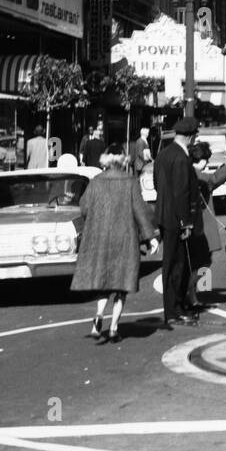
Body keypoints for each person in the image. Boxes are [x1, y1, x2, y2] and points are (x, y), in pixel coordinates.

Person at [71, 145, 159, 344]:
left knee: (104, 284)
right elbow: (140, 211)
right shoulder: (130, 182)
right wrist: (150, 237)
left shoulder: (95, 182)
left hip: (101, 239)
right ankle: (113, 328)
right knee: (121, 286)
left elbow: (84, 208)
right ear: (124, 160)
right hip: (125, 240)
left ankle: (98, 316)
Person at [153, 116, 202, 328]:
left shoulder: (163, 154)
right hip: (177, 219)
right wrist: (186, 222)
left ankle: (174, 308)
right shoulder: (182, 159)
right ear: (190, 137)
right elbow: (182, 192)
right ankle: (174, 310)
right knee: (177, 265)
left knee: (171, 263)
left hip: (164, 215)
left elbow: (157, 183)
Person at [187, 138, 226, 307]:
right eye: (206, 160)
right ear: (199, 160)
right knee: (202, 261)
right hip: (200, 225)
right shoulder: (197, 175)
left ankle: (191, 292)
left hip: (195, 224)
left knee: (199, 261)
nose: (207, 162)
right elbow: (213, 179)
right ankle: (190, 290)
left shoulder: (189, 172)